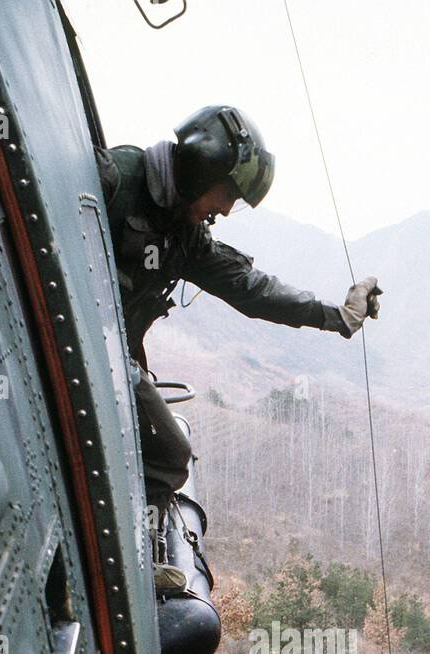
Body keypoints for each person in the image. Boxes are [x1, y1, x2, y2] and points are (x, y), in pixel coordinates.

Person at [95, 106, 381, 586]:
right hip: (91, 353)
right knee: (168, 452)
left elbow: (252, 289)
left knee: (165, 451)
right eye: (226, 194)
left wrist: (336, 316)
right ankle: (125, 563)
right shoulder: (115, 178)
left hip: (113, 359)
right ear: (199, 170)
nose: (225, 210)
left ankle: (129, 550)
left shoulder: (184, 233)